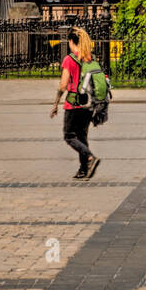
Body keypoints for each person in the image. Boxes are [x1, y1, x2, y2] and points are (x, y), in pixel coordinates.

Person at [50, 27, 101, 178]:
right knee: (82, 137)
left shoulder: (69, 59)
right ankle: (84, 170)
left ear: (72, 42)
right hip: (87, 104)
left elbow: (63, 85)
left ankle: (90, 157)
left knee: (69, 136)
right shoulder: (89, 58)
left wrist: (55, 104)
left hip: (73, 104)